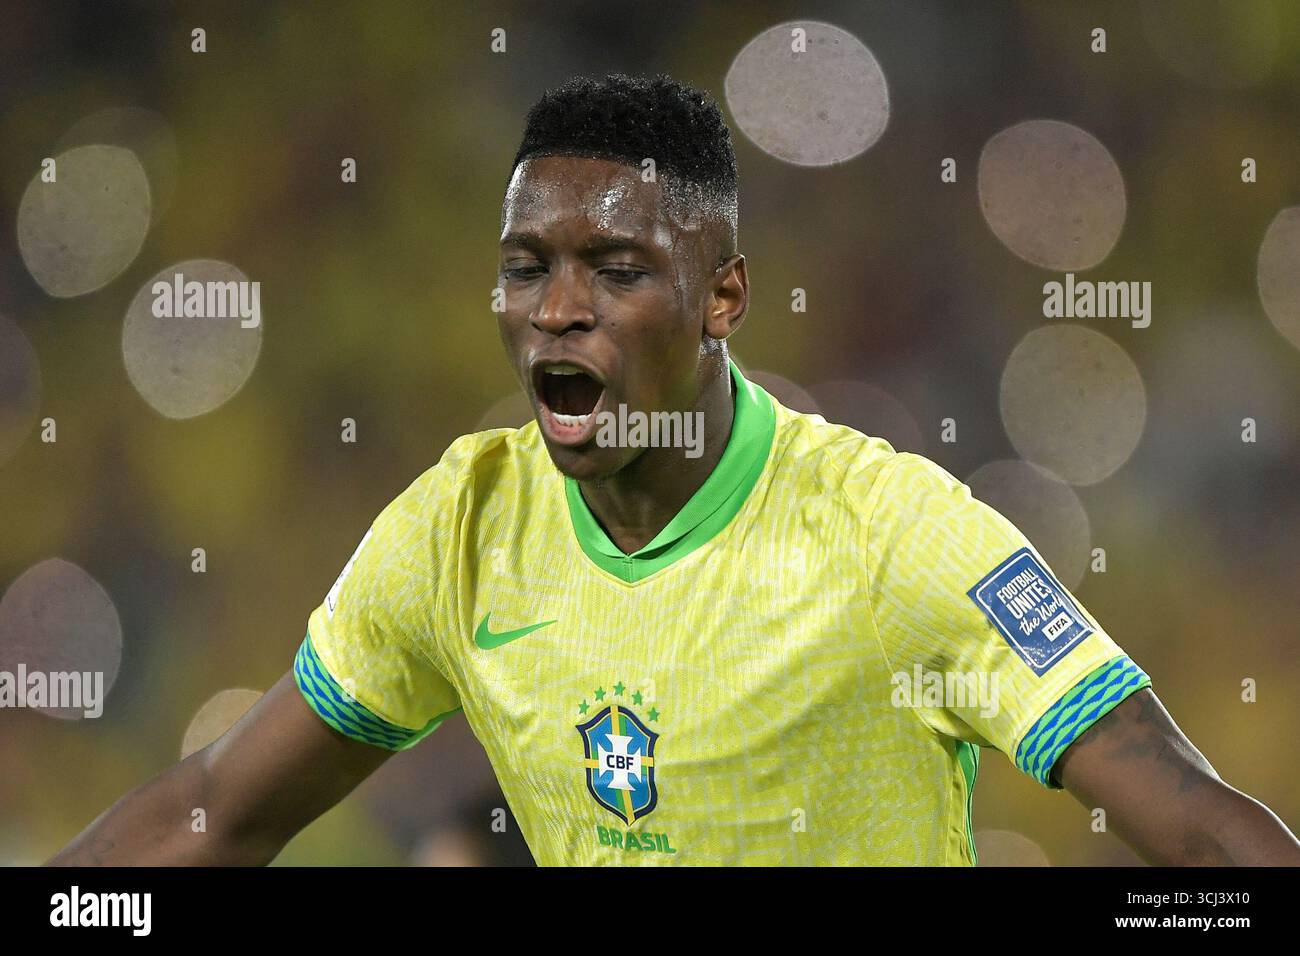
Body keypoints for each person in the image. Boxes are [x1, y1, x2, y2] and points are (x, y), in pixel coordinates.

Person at [51, 73, 1300, 866]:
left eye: (618, 268)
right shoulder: (458, 530)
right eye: (527, 265)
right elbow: (215, 811)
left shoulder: (889, 532)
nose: (558, 310)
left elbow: (1191, 819)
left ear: (723, 297)